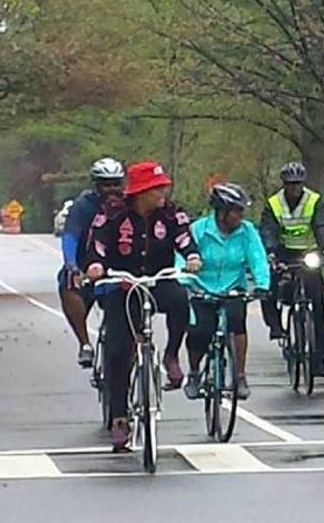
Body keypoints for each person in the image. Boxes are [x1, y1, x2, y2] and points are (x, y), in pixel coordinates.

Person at [84, 160, 202, 451]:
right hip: (123, 284)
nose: (162, 193)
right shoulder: (112, 212)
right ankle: (119, 417)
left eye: (163, 188)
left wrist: (192, 256)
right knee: (118, 348)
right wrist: (96, 264)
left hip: (158, 279)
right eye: (156, 188)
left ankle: (171, 355)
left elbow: (184, 238)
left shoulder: (171, 213)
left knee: (180, 300)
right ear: (141, 192)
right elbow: (97, 242)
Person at [180, 183, 270, 402]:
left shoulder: (247, 231)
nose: (240, 216)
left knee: (237, 322)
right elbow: (181, 257)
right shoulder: (199, 229)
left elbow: (258, 258)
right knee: (200, 331)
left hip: (233, 288)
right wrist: (184, 280)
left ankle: (240, 376)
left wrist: (262, 285)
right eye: (236, 211)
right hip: (201, 287)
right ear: (221, 212)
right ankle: (194, 373)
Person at [259, 161, 324, 377]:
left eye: (298, 184)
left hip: (309, 254)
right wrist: (271, 252)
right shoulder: (274, 203)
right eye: (290, 184)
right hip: (284, 252)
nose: (294, 188)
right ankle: (275, 326)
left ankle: (319, 361)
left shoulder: (314, 201)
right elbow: (268, 229)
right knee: (268, 286)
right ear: (284, 184)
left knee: (317, 305)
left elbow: (322, 225)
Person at [58, 158, 125, 368]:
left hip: (119, 267)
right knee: (68, 284)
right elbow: (70, 236)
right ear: (96, 185)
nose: (112, 189)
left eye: (116, 184)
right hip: (86, 266)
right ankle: (85, 343)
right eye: (106, 184)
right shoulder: (82, 206)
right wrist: (72, 265)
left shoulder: (129, 203)